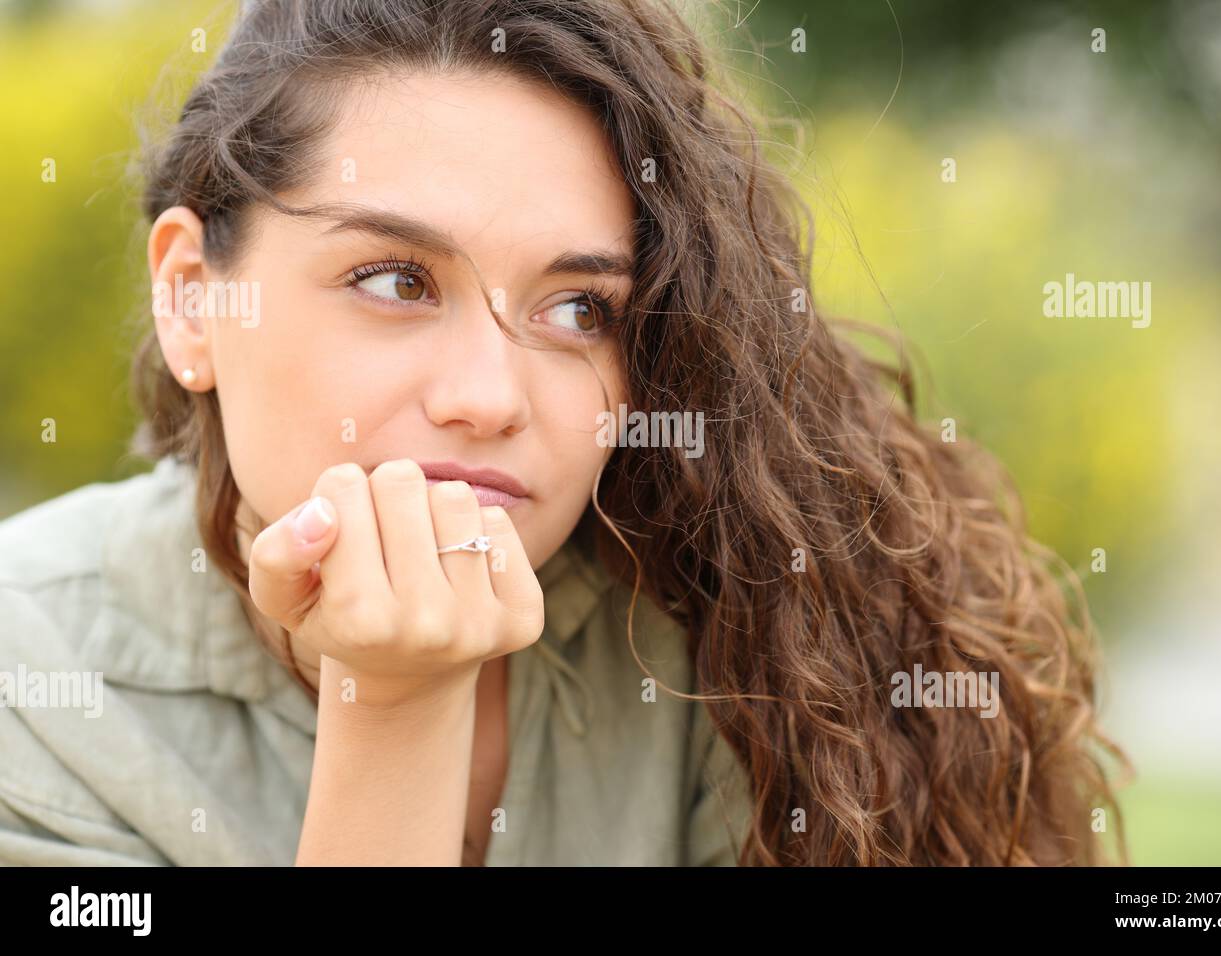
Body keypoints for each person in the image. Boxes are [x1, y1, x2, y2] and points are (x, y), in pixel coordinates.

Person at [0, 0, 1128, 866]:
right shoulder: (33, 682)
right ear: (195, 296)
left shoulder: (732, 642)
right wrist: (396, 704)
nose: (490, 395)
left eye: (580, 308)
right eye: (395, 278)